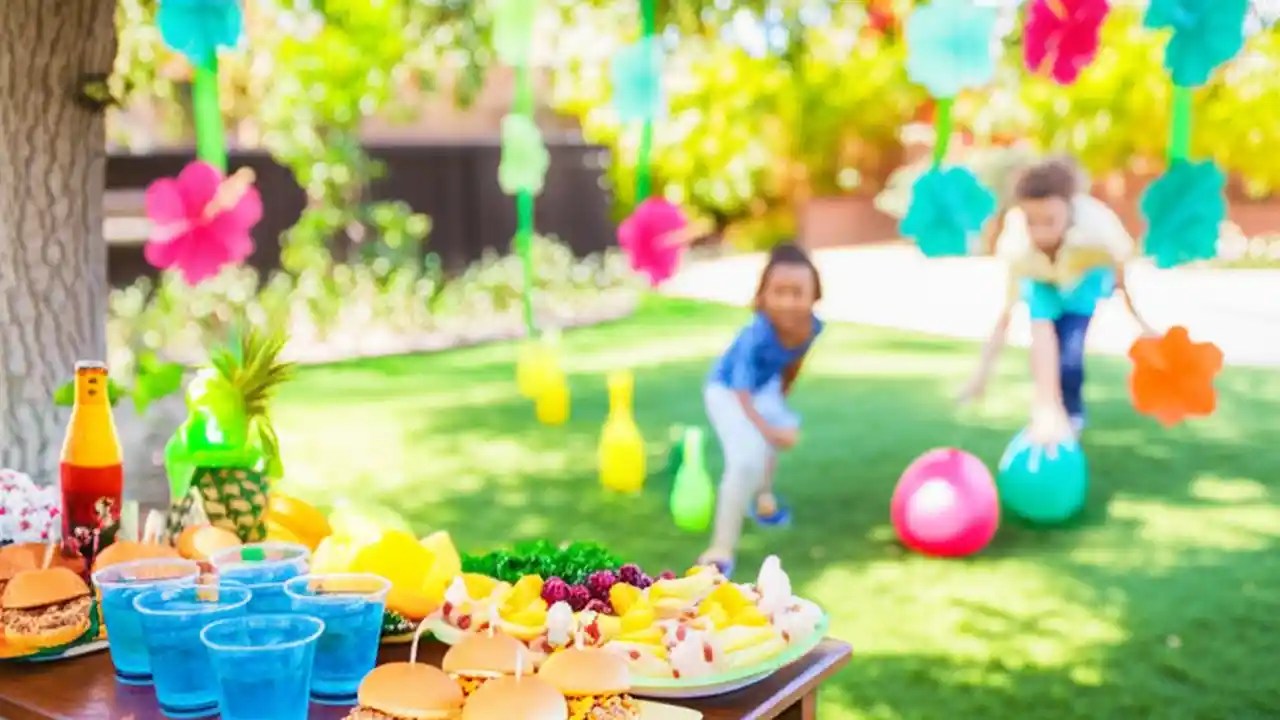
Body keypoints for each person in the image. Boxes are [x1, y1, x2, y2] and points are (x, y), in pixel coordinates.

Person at [959, 158, 1153, 446]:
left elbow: (1120, 268)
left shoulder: (1097, 228)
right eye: (1031, 221)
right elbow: (1007, 314)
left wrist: (1139, 321)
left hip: (1085, 275)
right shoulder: (1019, 245)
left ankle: (1072, 415)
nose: (1040, 233)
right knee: (1044, 338)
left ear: (1069, 209)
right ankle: (1045, 411)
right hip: (1043, 276)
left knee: (1070, 352)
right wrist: (980, 376)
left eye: (1050, 220)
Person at [698, 243, 824, 576]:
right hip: (727, 390)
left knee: (769, 443)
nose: (787, 301)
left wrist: (780, 402)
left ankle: (763, 500)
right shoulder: (755, 333)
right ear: (762, 295)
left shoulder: (812, 327)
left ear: (814, 296)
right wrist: (769, 429)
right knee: (746, 459)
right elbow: (740, 392)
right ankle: (720, 549)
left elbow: (793, 362)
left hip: (764, 388)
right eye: (778, 292)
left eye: (798, 292)